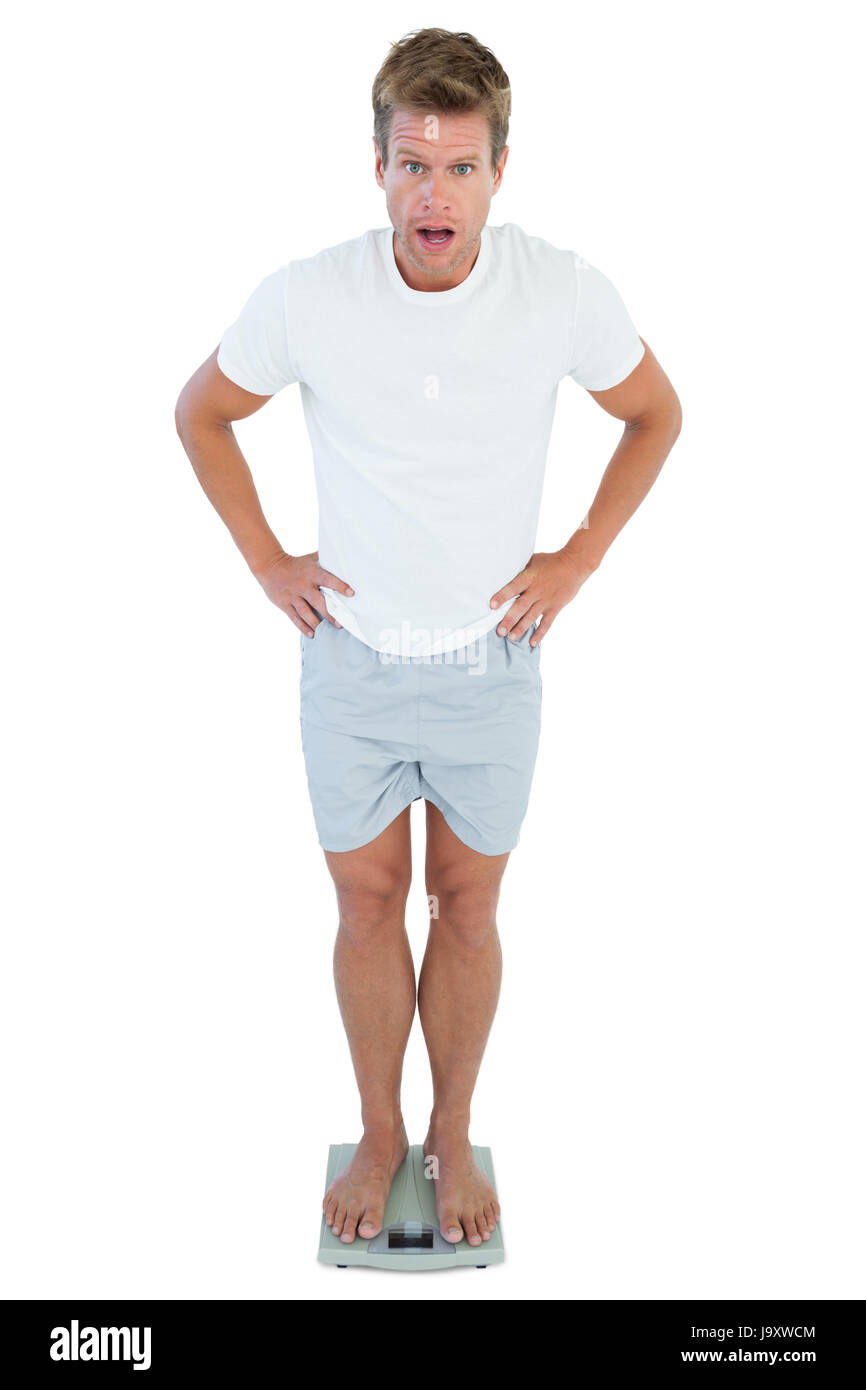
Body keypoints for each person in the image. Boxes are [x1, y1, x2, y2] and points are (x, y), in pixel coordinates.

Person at [174, 26, 682, 1251]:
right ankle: (382, 1128)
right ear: (377, 165)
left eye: (459, 168)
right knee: (364, 906)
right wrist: (265, 560)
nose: (433, 194)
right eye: (413, 165)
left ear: (499, 171)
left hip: (487, 666)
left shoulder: (559, 287)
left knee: (463, 904)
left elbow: (654, 413)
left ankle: (451, 1131)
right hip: (347, 662)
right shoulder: (308, 293)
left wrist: (576, 557)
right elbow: (201, 413)